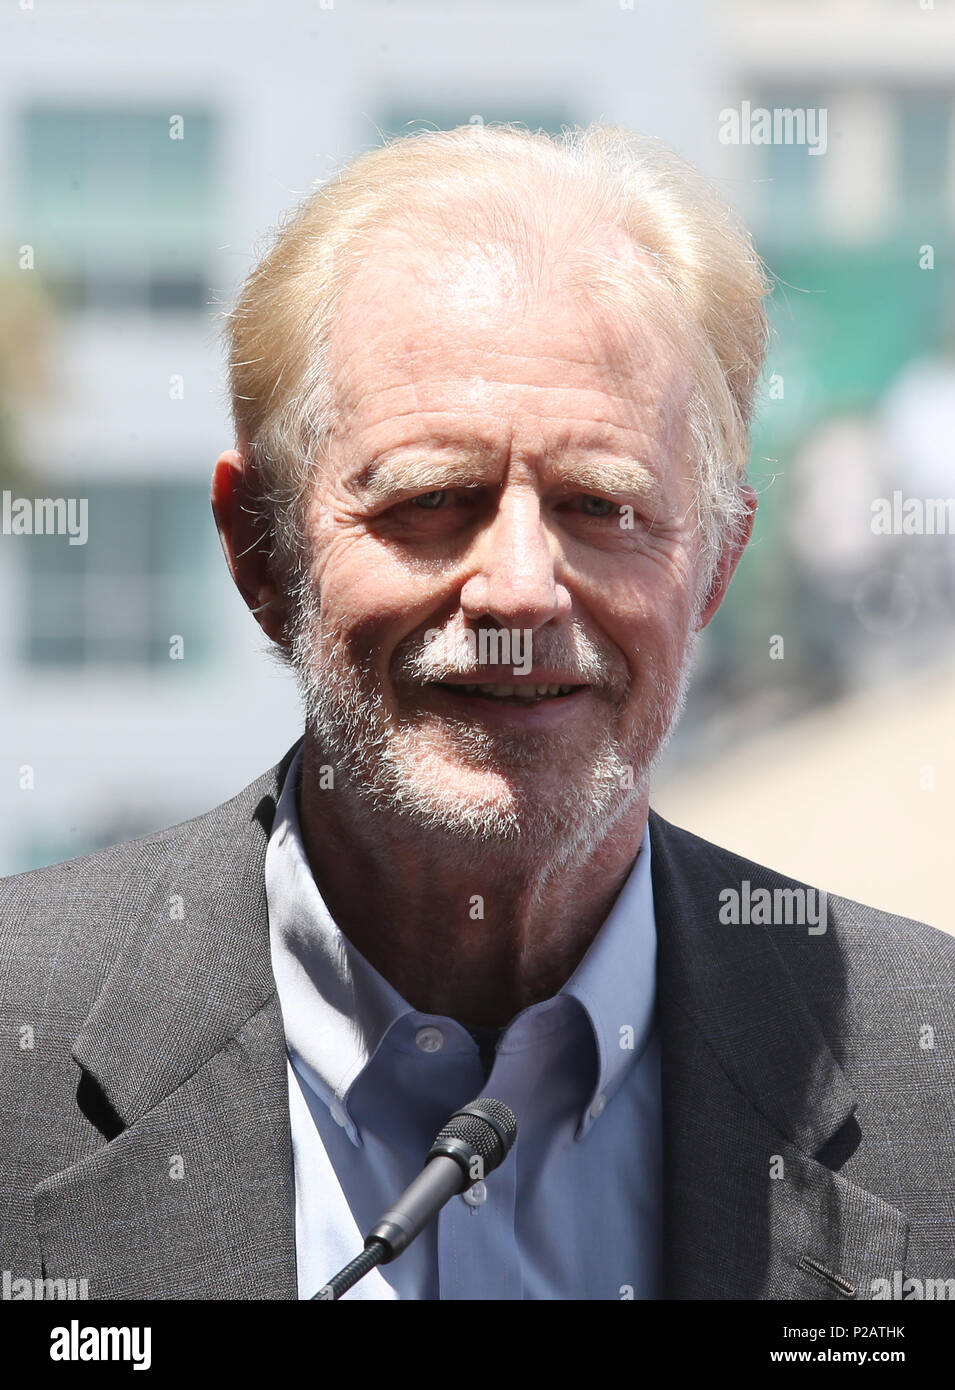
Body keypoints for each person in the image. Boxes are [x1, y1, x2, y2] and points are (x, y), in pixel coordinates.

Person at [2, 124, 953, 1301]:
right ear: (260, 552)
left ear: (714, 567)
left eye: (601, 504)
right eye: (434, 498)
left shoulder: (935, 1081)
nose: (517, 586)